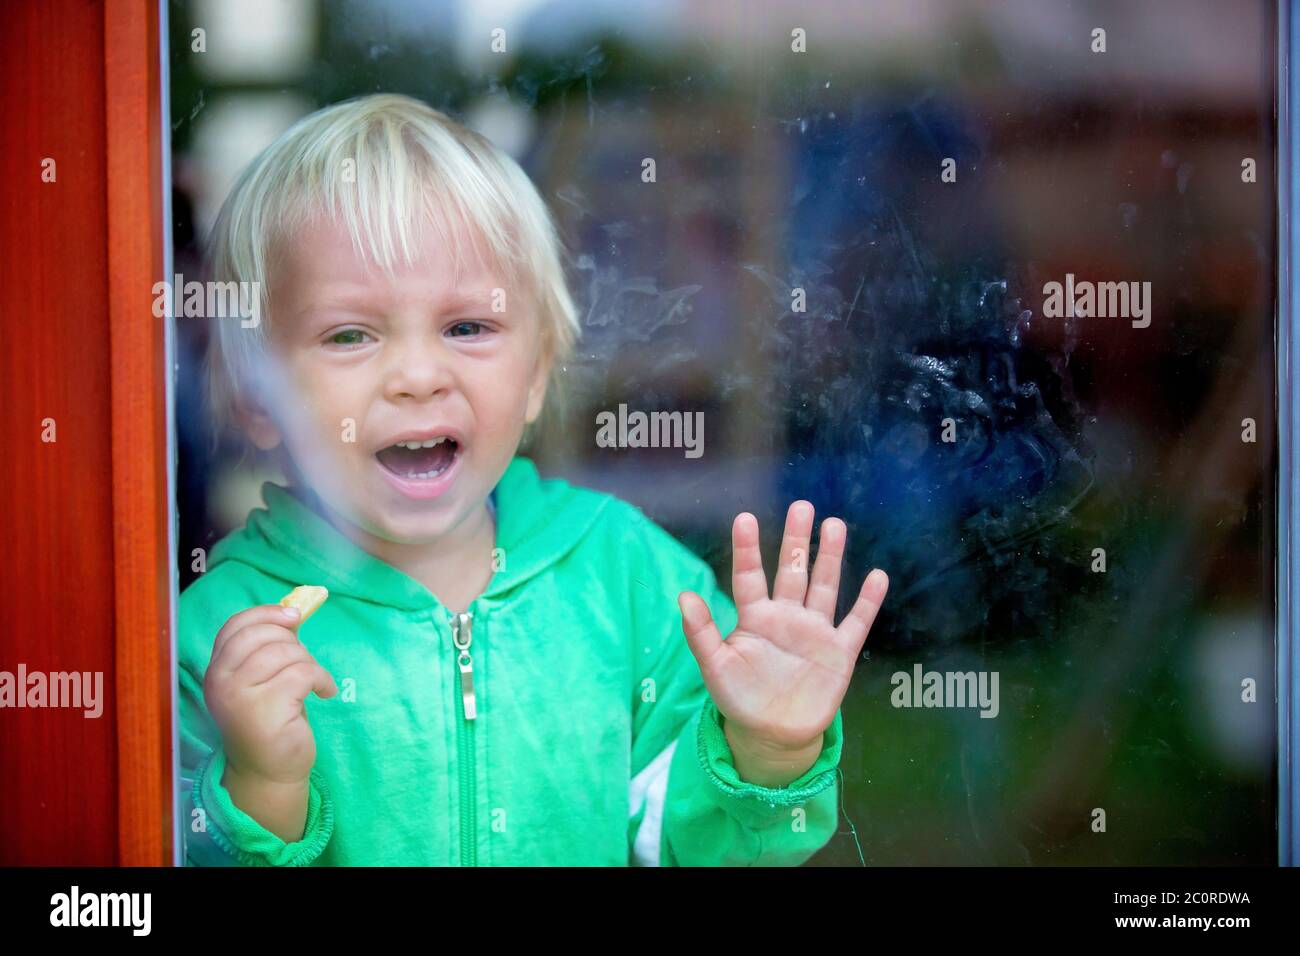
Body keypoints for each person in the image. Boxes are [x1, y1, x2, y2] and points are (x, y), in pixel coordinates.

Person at [179, 93, 889, 866]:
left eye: (467, 328)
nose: (419, 375)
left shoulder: (627, 578)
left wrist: (767, 749)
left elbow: (695, 847)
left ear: (538, 371)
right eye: (349, 334)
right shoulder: (221, 633)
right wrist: (258, 787)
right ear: (257, 394)